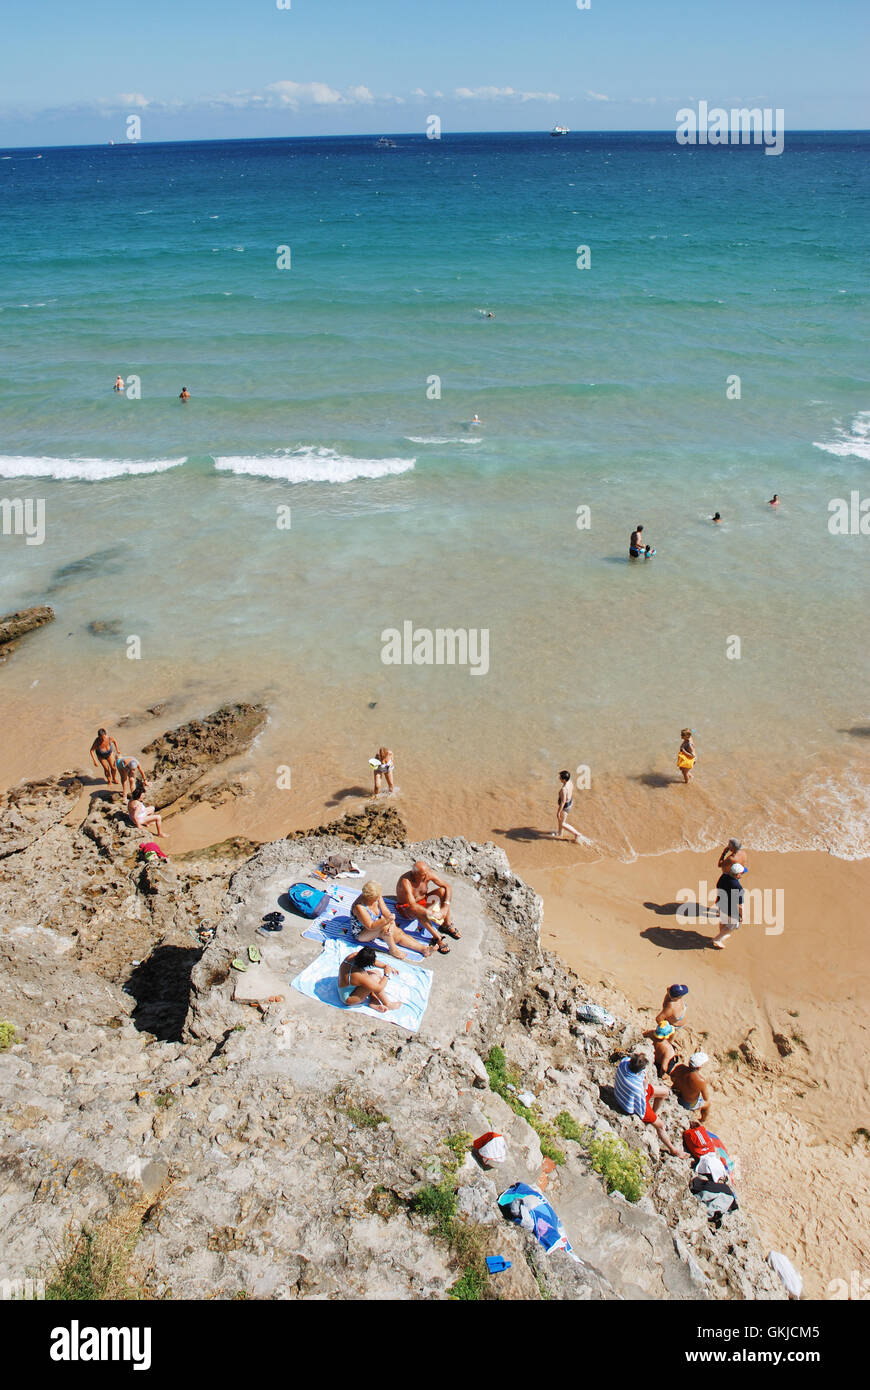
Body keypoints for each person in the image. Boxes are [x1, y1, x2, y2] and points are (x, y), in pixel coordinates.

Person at [613, 1053, 682, 1157]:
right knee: (661, 1126)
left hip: (623, 1093)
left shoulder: (624, 1062)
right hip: (632, 1104)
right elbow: (641, 1098)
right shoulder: (636, 1087)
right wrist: (645, 1082)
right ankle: (673, 1150)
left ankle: (653, 1114)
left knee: (665, 1092)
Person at [350, 881, 434, 960]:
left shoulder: (376, 895)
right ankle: (393, 949)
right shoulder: (359, 907)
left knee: (398, 932)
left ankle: (423, 949)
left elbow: (385, 910)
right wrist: (387, 921)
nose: (377, 900)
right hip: (362, 933)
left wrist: (391, 921)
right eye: (374, 899)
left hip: (377, 924)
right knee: (385, 929)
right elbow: (370, 926)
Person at [395, 860, 458, 951]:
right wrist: (432, 913)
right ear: (415, 874)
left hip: (422, 901)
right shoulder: (406, 881)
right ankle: (437, 938)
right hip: (406, 907)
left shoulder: (428, 874)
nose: (426, 876)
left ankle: (447, 924)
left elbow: (447, 886)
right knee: (418, 910)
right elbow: (413, 906)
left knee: (442, 891)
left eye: (426, 873)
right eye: (423, 875)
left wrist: (445, 907)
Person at [338, 945, 400, 1012]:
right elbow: (379, 988)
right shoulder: (359, 976)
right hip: (349, 999)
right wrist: (386, 974)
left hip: (345, 988)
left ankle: (373, 999)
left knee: (376, 973)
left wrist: (386, 966)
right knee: (375, 978)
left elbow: (374, 962)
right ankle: (387, 1003)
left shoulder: (353, 956)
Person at [711, 838, 748, 947]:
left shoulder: (724, 874)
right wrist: (742, 916)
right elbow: (740, 905)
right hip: (732, 894)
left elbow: (720, 864)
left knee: (723, 918)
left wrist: (724, 852)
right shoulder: (744, 854)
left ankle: (721, 934)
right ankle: (717, 939)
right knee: (733, 925)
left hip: (725, 890)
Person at [669, 1052, 711, 1122]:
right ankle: (702, 1120)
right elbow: (706, 1098)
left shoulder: (680, 1067)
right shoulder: (701, 1080)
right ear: (699, 1067)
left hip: (674, 1093)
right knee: (707, 1104)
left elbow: (672, 1077)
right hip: (686, 1103)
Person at [552, 770, 583, 842]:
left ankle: (577, 834)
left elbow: (563, 802)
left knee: (562, 823)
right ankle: (559, 833)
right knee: (561, 821)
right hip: (570, 803)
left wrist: (558, 812)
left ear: (564, 780)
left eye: (560, 777)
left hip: (565, 807)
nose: (559, 778)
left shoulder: (564, 789)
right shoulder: (570, 782)